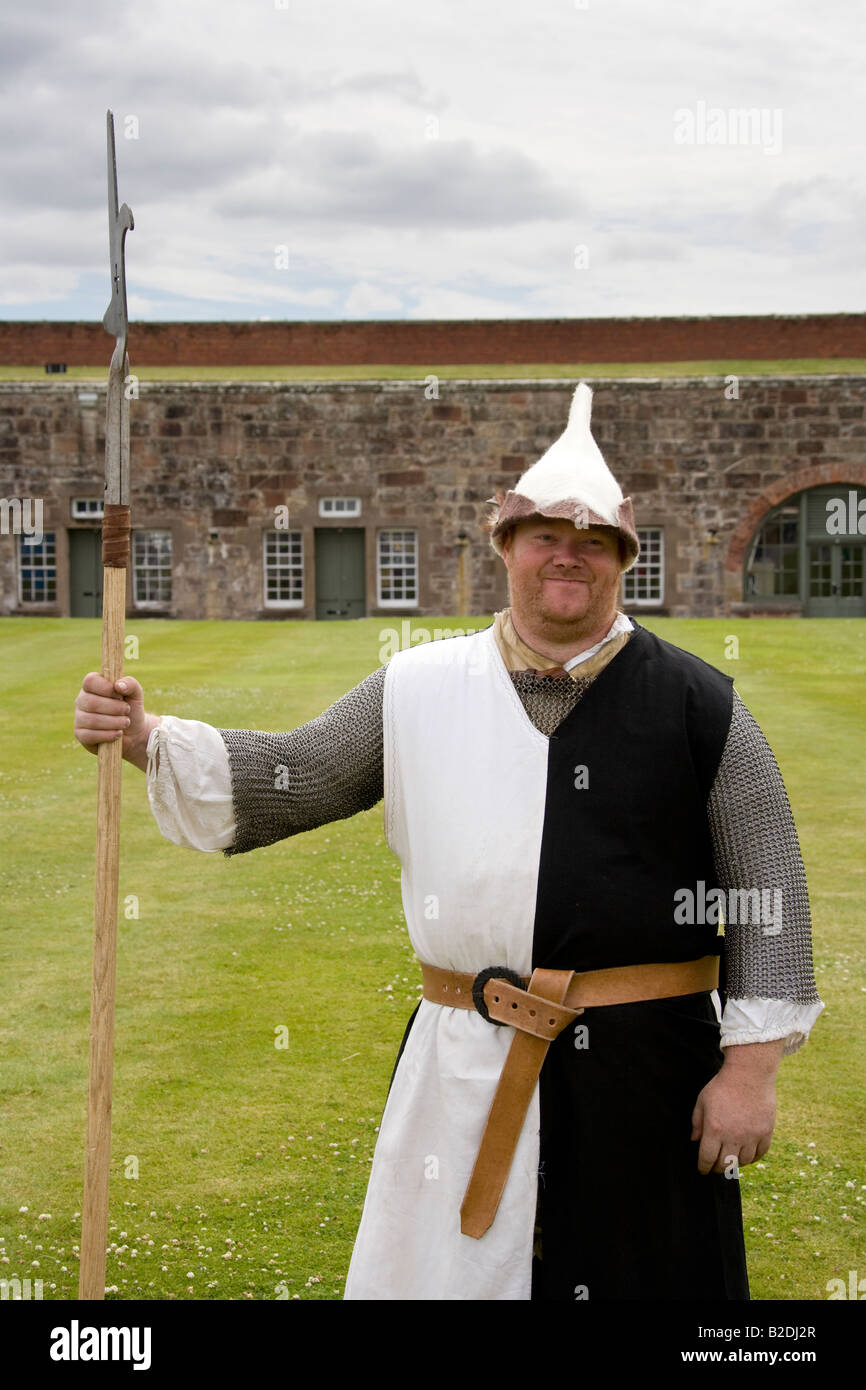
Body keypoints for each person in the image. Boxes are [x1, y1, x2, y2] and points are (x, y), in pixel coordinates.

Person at [74, 383, 823, 1301]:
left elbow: (765, 895)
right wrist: (149, 738)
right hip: (465, 1058)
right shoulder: (417, 688)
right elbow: (298, 773)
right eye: (546, 536)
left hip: (649, 1071)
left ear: (623, 560)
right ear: (505, 544)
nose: (567, 557)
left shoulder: (703, 706)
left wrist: (750, 1072)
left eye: (593, 543)